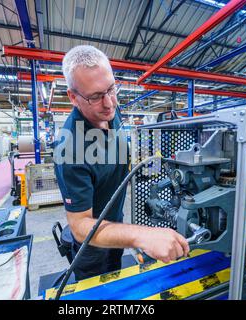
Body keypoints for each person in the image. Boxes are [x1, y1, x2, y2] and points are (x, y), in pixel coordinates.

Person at [54, 45, 189, 281]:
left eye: (112, 89)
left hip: (115, 223)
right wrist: (141, 235)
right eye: (96, 96)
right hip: (92, 245)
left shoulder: (108, 109)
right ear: (73, 97)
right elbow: (79, 226)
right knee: (98, 291)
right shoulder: (70, 149)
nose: (109, 103)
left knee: (115, 274)